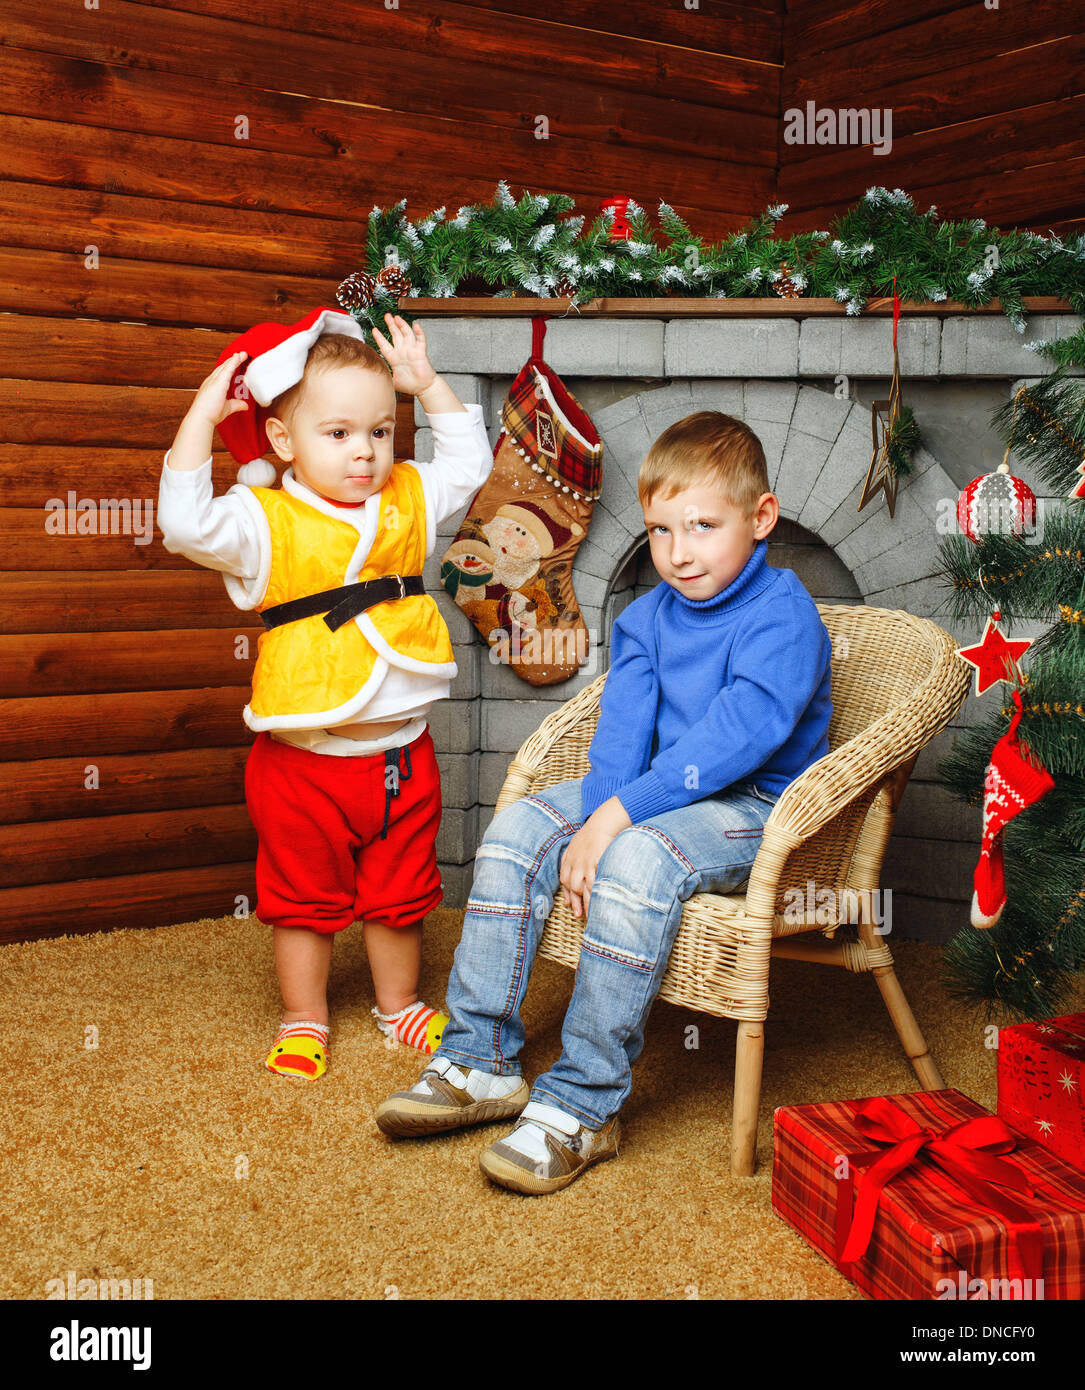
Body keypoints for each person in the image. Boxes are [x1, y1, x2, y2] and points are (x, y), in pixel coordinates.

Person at [375, 410, 834, 1193]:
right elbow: (622, 731)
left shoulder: (782, 616)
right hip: (651, 788)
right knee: (520, 828)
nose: (677, 552)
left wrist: (615, 820)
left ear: (760, 518)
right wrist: (596, 812)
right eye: (659, 530)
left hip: (754, 806)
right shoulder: (648, 616)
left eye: (701, 526)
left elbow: (736, 738)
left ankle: (583, 1104)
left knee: (636, 855)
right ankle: (480, 1060)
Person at [157, 307, 493, 1079]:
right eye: (337, 433)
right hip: (305, 764)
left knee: (400, 892)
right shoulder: (260, 518)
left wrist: (429, 386)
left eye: (379, 431)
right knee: (302, 898)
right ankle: (304, 1016)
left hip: (403, 756)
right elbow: (180, 523)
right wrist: (205, 415)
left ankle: (398, 1006)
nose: (364, 452)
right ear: (283, 441)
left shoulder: (411, 494)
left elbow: (469, 467)